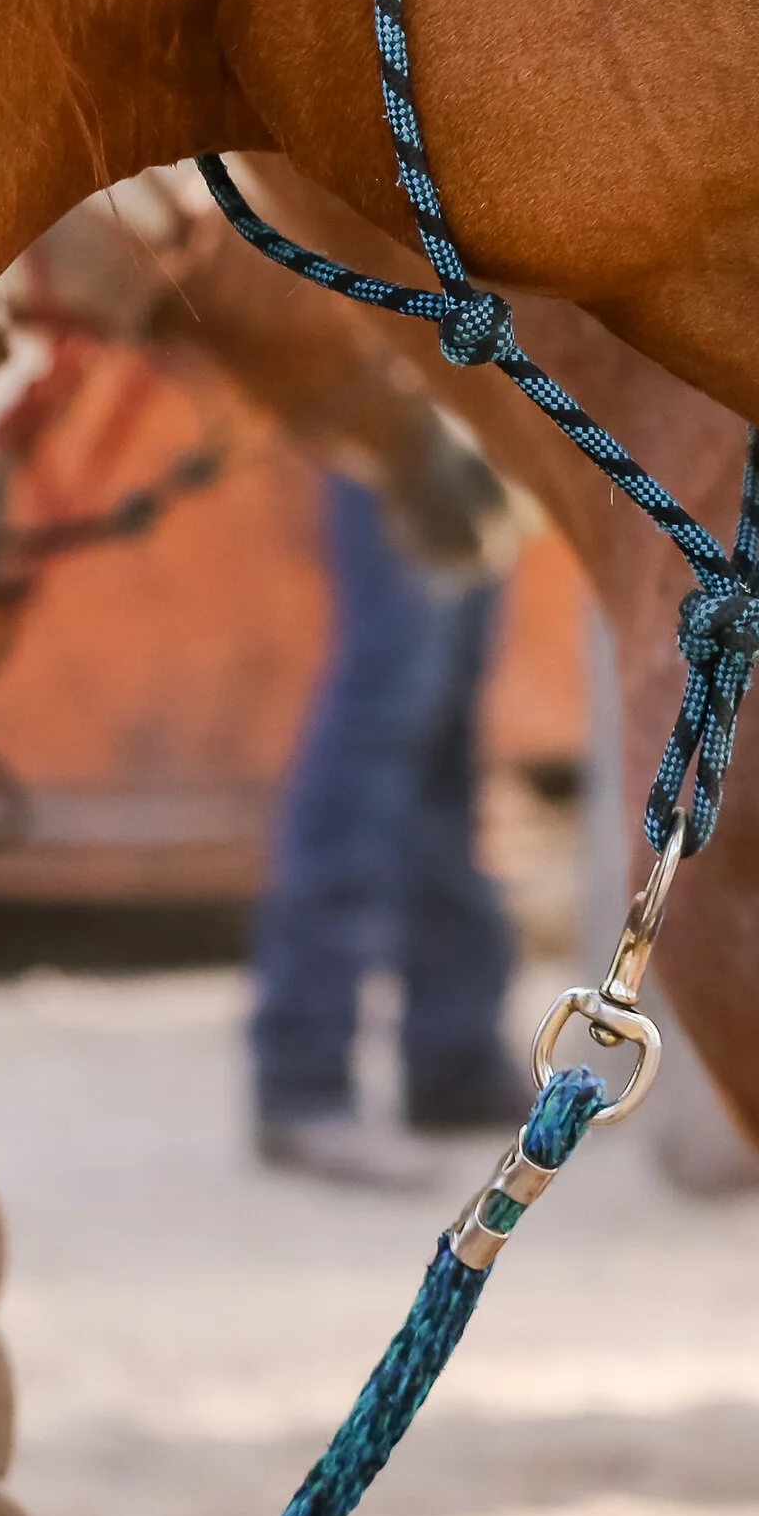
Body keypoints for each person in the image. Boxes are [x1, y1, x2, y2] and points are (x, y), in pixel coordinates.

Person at [249, 471, 528, 1180]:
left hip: (489, 397)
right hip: (414, 395)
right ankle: (305, 1074)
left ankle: (454, 1055)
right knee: (388, 696)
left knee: (445, 712)